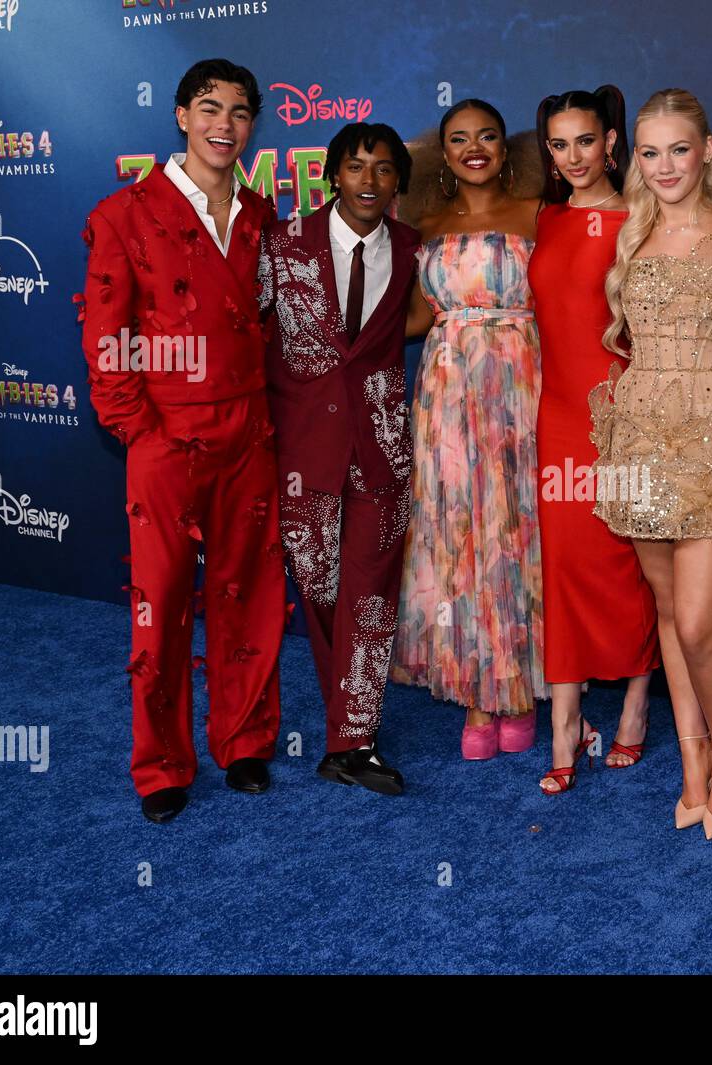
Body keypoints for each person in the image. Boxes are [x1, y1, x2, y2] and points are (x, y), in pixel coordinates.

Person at [76, 59, 283, 823]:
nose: (223, 125)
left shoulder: (263, 216)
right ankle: (160, 764)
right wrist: (143, 431)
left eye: (237, 112)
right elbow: (108, 340)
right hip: (165, 436)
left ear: (253, 124)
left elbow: (267, 328)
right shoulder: (124, 214)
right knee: (157, 602)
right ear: (179, 116)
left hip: (248, 433)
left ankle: (246, 739)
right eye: (208, 108)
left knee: (252, 594)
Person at [591, 88, 712, 837]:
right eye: (650, 152)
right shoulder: (630, 236)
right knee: (666, 613)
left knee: (699, 622)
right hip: (637, 432)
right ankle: (692, 765)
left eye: (679, 150)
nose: (665, 166)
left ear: (707, 153)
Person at [259, 122, 420, 795]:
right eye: (356, 167)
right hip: (302, 448)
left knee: (371, 595)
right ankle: (342, 724)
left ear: (398, 184)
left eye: (384, 170)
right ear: (332, 175)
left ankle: (354, 739)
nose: (369, 181)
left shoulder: (413, 249)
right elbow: (249, 332)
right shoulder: (282, 243)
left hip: (381, 446)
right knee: (321, 592)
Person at [391, 99, 549, 759]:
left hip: (521, 390)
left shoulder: (538, 214)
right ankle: (475, 694)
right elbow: (411, 324)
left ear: (506, 148)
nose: (474, 147)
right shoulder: (422, 223)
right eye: (460, 139)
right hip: (446, 390)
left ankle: (515, 688)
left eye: (487, 135)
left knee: (514, 532)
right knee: (456, 531)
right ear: (446, 153)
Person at [529, 85, 660, 793]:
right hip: (555, 417)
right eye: (558, 143)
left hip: (623, 414)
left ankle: (637, 704)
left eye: (585, 140)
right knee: (566, 562)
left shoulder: (642, 219)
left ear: (611, 140)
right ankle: (566, 723)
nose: (573, 156)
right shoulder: (545, 218)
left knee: (625, 560)